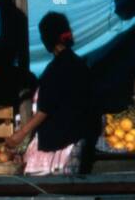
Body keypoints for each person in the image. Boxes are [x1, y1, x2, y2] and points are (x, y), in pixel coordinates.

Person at [7, 12, 97, 175]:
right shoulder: (80, 65)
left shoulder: (55, 69)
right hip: (78, 138)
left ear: (47, 39)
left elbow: (45, 110)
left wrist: (20, 134)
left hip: (60, 144)